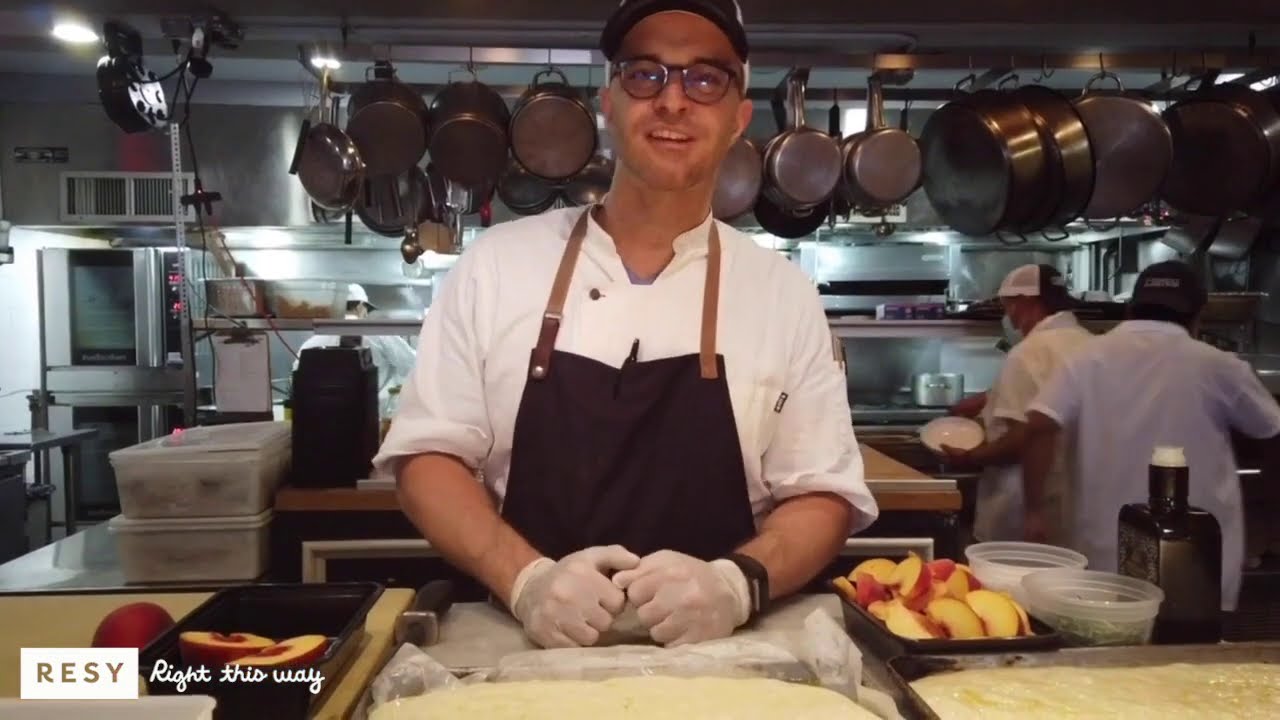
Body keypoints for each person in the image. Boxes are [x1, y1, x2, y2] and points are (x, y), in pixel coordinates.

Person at [372, 0, 876, 650]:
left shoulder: (782, 294)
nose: (673, 101)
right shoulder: (496, 267)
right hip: (524, 661)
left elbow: (823, 492)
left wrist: (737, 583)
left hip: (727, 665)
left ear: (737, 118)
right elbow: (427, 457)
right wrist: (524, 579)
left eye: (705, 78)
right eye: (645, 74)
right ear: (608, 100)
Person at [1023, 260, 1280, 613]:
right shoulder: (1218, 365)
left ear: (1131, 308)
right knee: (1194, 656)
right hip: (1200, 556)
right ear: (1197, 315)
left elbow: (1039, 424)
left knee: (1108, 653)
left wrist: (1034, 510)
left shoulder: (1086, 358)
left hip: (1106, 553)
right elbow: (1271, 430)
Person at [941, 265, 1094, 544]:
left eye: (1007, 305)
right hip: (1073, 500)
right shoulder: (1091, 344)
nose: (1007, 315)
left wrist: (969, 458)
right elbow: (1048, 390)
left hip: (1020, 503)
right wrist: (990, 397)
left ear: (1026, 301)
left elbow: (1021, 440)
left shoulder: (1026, 353)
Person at [293, 283, 418, 415]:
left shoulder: (314, 340)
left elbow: (296, 375)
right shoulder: (379, 334)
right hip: (373, 417)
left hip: (325, 418)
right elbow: (413, 365)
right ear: (360, 307)